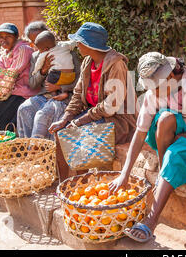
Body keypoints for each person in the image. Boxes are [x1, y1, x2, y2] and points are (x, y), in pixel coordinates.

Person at [108, 51, 186, 242]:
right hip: (174, 130)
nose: (153, 93)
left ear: (170, 76)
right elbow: (140, 134)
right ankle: (167, 169)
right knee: (164, 118)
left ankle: (151, 221)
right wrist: (125, 173)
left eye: (156, 88)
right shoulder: (152, 93)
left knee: (174, 153)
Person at [48, 22, 137, 180]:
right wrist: (65, 118)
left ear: (89, 45)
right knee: (60, 133)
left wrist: (81, 120)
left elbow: (112, 105)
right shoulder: (87, 62)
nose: (77, 45)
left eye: (79, 42)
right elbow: (77, 94)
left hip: (118, 120)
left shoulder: (116, 64)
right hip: (96, 115)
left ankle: (82, 183)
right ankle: (66, 184)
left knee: (78, 134)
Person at [17, 21, 81, 140]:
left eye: (41, 37)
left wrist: (61, 88)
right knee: (24, 108)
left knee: (43, 115)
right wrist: (43, 70)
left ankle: (43, 149)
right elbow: (32, 84)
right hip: (44, 95)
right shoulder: (36, 56)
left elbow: (79, 78)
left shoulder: (66, 52)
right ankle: (26, 146)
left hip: (65, 95)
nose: (39, 42)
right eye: (35, 41)